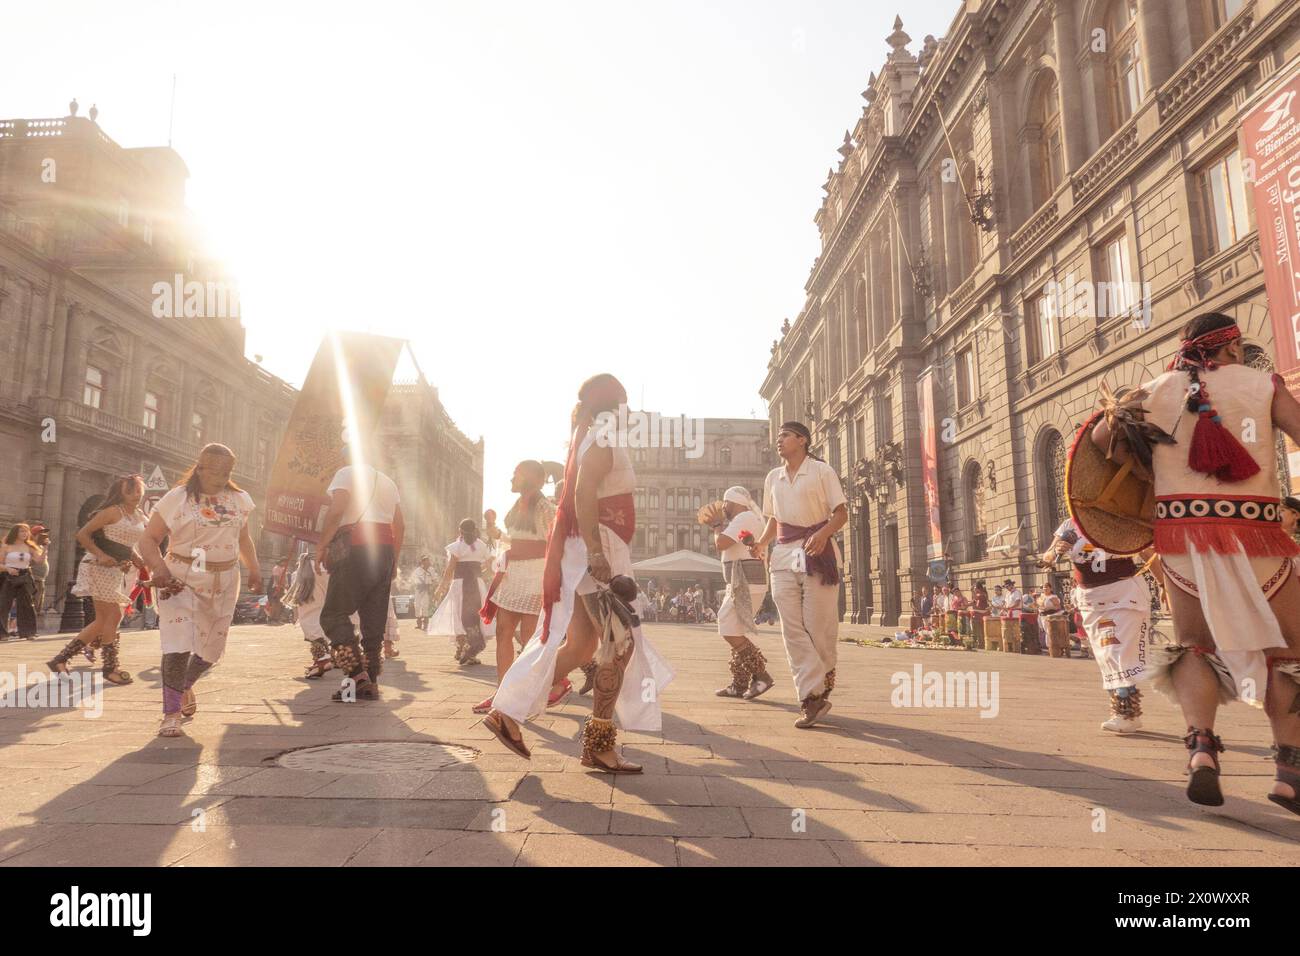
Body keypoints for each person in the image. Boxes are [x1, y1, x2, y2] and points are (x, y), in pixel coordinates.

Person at [1091, 311, 1300, 812]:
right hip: (1260, 538)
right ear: (1231, 347)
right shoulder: (1263, 383)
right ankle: (1289, 772)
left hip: (1183, 541)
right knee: (1288, 651)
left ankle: (1202, 749)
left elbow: (1100, 444)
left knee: (1195, 647)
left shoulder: (1153, 390)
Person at [485, 373, 673, 772]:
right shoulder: (603, 438)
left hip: (595, 545)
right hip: (601, 546)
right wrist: (594, 549)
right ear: (613, 405)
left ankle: (508, 710)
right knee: (619, 644)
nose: (631, 411)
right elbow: (583, 492)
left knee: (582, 645)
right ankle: (599, 742)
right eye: (625, 403)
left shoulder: (593, 434)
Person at [138, 445, 261, 736]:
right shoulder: (177, 498)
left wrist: (254, 568)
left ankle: (184, 686)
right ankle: (170, 713)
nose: (220, 478)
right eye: (215, 471)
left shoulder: (240, 499)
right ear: (201, 468)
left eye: (227, 472)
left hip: (224, 580)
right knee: (178, 644)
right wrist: (160, 569)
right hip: (180, 578)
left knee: (211, 650)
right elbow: (148, 540)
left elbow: (244, 538)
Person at [752, 420, 847, 729]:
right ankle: (811, 697)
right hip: (783, 555)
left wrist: (823, 534)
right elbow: (773, 518)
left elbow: (841, 513)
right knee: (791, 627)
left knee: (817, 627)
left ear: (803, 440)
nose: (779, 441)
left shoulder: (822, 471)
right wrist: (761, 543)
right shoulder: (773, 477)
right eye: (778, 436)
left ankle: (823, 677)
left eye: (785, 436)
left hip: (817, 552)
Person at [1041, 518, 1150, 732]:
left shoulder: (1123, 520)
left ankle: (1124, 711)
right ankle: (1126, 710)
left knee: (1116, 650)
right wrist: (1056, 551)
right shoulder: (1069, 526)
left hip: (1122, 594)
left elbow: (1148, 554)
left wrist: (1166, 585)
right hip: (1091, 600)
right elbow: (1046, 558)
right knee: (1105, 654)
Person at [315, 457, 404, 702]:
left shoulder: (346, 473)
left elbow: (336, 511)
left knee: (332, 615)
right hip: (384, 551)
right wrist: (393, 559)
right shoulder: (387, 481)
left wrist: (321, 545)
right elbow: (400, 524)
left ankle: (356, 676)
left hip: (356, 547)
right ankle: (370, 681)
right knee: (373, 621)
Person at [474, 460, 559, 713]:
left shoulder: (545, 506)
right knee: (503, 631)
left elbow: (552, 541)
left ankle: (527, 693)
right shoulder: (517, 504)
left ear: (530, 478)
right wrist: (498, 534)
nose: (511, 478)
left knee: (530, 638)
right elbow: (519, 537)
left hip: (534, 572)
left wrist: (553, 578)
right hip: (514, 572)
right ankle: (502, 693)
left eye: (516, 474)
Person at [47, 478, 147, 679]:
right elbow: (82, 534)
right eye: (131, 491)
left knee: (103, 620)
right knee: (113, 616)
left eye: (139, 490)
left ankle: (60, 659)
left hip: (119, 568)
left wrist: (136, 557)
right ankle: (110, 667)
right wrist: (101, 554)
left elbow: (127, 542)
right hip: (99, 566)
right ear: (121, 493)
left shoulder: (138, 515)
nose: (136, 494)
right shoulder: (112, 511)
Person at [704, 486, 775, 699]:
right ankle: (739, 683)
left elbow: (721, 543)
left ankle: (761, 675)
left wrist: (717, 526)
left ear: (733, 502)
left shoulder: (744, 517)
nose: (722, 507)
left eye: (724, 503)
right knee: (735, 629)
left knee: (727, 627)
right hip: (742, 582)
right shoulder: (748, 516)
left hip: (745, 583)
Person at [428, 518, 495, 666]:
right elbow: (490, 567)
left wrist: (441, 587)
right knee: (475, 614)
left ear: (460, 531)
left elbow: (450, 569)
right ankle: (470, 650)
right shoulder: (481, 545)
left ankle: (462, 648)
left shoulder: (457, 546)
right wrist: (479, 572)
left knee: (458, 615)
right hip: (477, 584)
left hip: (460, 584)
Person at [284, 551, 333, 679]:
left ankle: (322, 658)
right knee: (325, 609)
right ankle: (324, 657)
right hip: (336, 565)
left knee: (308, 611)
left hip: (315, 563)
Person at [1, 524, 42, 641]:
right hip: (8, 575)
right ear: (15, 533)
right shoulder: (6, 546)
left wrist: (45, 550)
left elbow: (39, 560)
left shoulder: (30, 547)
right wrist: (8, 569)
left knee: (27, 605)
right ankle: (2, 633)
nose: (25, 534)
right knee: (4, 604)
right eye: (22, 532)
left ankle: (28, 632)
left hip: (24, 575)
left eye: (26, 532)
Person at [410, 555, 437, 631]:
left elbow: (434, 579)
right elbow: (413, 578)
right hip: (419, 589)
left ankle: (425, 624)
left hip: (427, 589)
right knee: (417, 605)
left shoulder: (431, 569)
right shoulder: (418, 570)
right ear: (422, 562)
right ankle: (418, 623)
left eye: (428, 561)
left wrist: (432, 586)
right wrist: (417, 583)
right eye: (425, 561)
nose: (427, 562)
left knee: (425, 605)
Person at [29, 523, 50, 614]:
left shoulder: (41, 547)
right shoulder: (31, 547)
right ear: (33, 536)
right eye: (40, 534)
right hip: (34, 579)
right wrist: (45, 547)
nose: (43, 536)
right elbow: (38, 561)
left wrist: (45, 547)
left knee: (38, 605)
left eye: (44, 534)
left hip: (41, 579)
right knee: (33, 603)